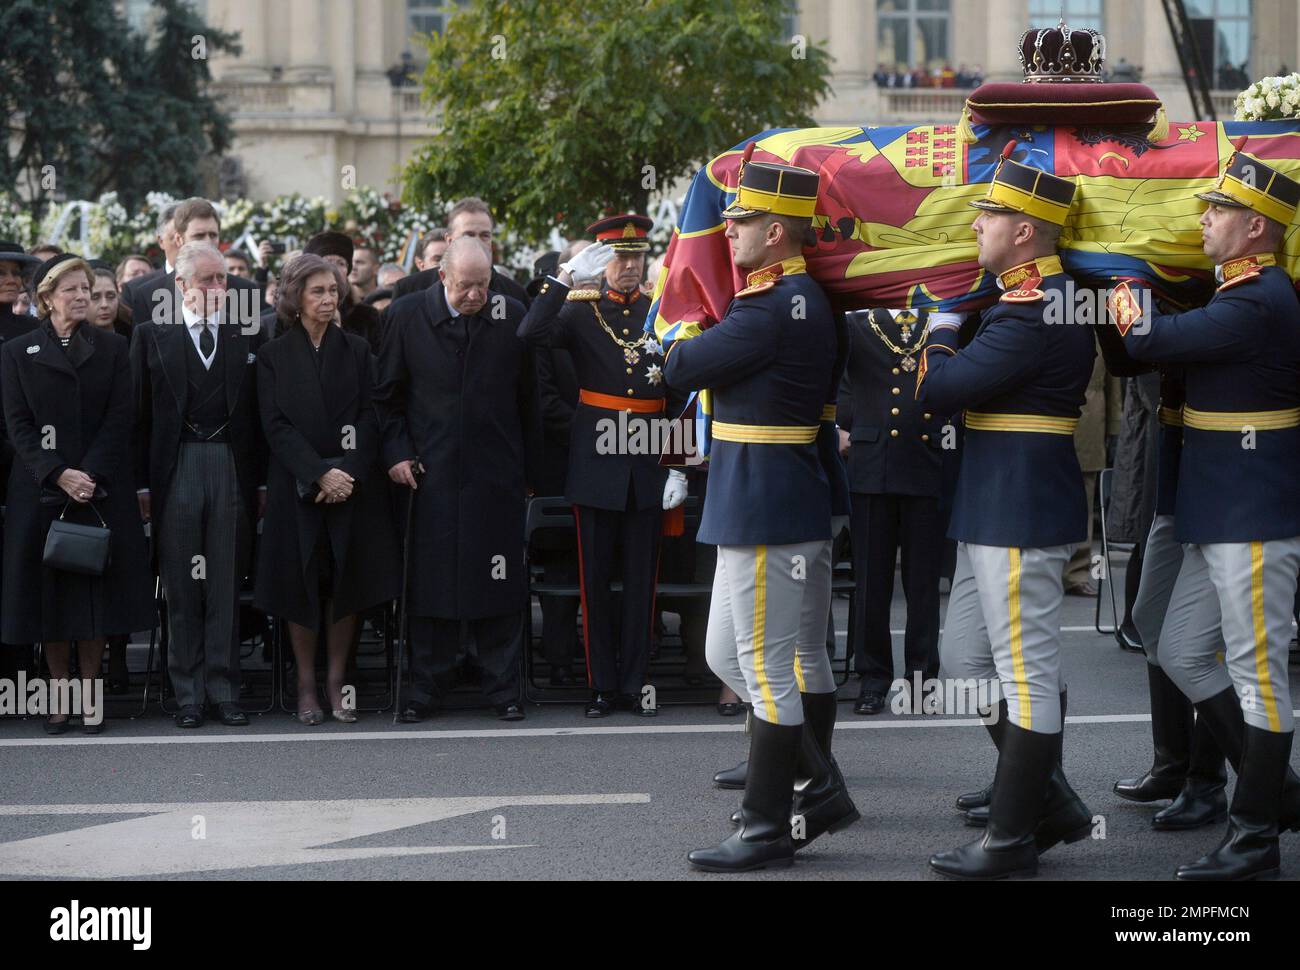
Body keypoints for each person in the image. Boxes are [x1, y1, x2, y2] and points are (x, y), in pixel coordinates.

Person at [1108, 143, 1300, 880]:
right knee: (1176, 643)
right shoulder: (1239, 294)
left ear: (1256, 227)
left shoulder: (1259, 299)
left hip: (1251, 516)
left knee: (1259, 670)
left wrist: (1124, 280)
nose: (1205, 219)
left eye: (1219, 210)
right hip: (1218, 513)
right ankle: (1277, 789)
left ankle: (1255, 837)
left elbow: (1151, 338)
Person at [669, 158, 857, 872]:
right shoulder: (797, 299)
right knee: (744, 656)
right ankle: (814, 783)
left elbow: (679, 371)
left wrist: (677, 328)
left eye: (741, 222)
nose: (728, 231)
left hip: (765, 503)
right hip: (774, 496)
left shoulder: (772, 306)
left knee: (765, 664)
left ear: (776, 230)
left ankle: (767, 824)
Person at [918, 141, 1095, 879]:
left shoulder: (1035, 310)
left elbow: (939, 392)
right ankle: (1046, 796)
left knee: (1024, 671)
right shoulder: (1019, 301)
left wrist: (940, 329)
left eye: (988, 214)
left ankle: (1013, 838)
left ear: (1026, 229)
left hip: (1020, 506)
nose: (976, 227)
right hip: (991, 504)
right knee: (963, 659)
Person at [517, 215, 677, 717]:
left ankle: (635, 684)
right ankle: (602, 687)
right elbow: (529, 333)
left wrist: (677, 461)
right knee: (596, 585)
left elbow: (680, 394)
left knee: (639, 584)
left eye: (635, 257)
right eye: (618, 257)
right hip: (595, 461)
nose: (628, 266)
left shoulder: (662, 312)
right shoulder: (580, 313)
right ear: (601, 262)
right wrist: (564, 276)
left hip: (648, 456)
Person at [376, 236, 540, 722]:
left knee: (498, 580)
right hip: (432, 475)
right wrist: (398, 453)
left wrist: (531, 472)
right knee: (431, 583)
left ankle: (502, 686)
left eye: (483, 285)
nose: (476, 296)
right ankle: (426, 686)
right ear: (442, 276)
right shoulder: (405, 317)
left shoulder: (509, 314)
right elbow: (385, 398)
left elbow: (529, 398)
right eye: (466, 286)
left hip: (496, 475)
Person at [1, 255, 153, 734]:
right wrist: (56, 472)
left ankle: (91, 693)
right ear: (47, 299)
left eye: (86, 288)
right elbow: (17, 425)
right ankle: (59, 695)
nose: (82, 296)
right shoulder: (18, 351)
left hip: (100, 489)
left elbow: (120, 417)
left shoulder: (111, 347)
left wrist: (86, 473)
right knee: (51, 598)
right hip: (40, 491)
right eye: (70, 289)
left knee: (95, 597)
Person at [254, 254, 399, 724]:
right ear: (295, 298)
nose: (327, 298)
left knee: (345, 582)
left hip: (350, 488)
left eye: (333, 290)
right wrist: (317, 473)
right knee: (301, 582)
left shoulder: (356, 349)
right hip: (298, 486)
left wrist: (347, 473)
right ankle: (305, 684)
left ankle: (338, 682)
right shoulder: (274, 355)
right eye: (317, 291)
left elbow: (370, 416)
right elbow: (274, 425)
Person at [130, 242, 268, 729]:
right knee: (183, 585)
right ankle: (187, 693)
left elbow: (260, 416)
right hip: (176, 467)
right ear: (180, 285)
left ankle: (224, 688)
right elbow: (138, 419)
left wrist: (263, 483)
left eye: (223, 280)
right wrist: (143, 486)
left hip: (231, 464)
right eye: (207, 280)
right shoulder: (150, 336)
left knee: (226, 580)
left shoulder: (246, 333)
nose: (217, 288)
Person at [838, 305, 958, 716]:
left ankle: (922, 678)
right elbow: (838, 376)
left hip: (926, 459)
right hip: (872, 461)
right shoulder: (855, 320)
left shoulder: (943, 318)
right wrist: (842, 422)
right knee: (871, 581)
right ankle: (872, 677)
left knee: (923, 582)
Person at [122, 199, 261, 334]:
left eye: (213, 235)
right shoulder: (146, 296)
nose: (208, 242)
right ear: (178, 239)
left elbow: (252, 350)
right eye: (199, 236)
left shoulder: (245, 291)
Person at [390, 198, 528, 305]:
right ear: (449, 241)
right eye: (468, 235)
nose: (477, 242)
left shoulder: (513, 294)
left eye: (485, 235)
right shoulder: (410, 289)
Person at [302, 230, 383, 353]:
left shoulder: (367, 317)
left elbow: (375, 364)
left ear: (347, 272)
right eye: (327, 261)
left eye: (341, 263)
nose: (334, 268)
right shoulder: (292, 314)